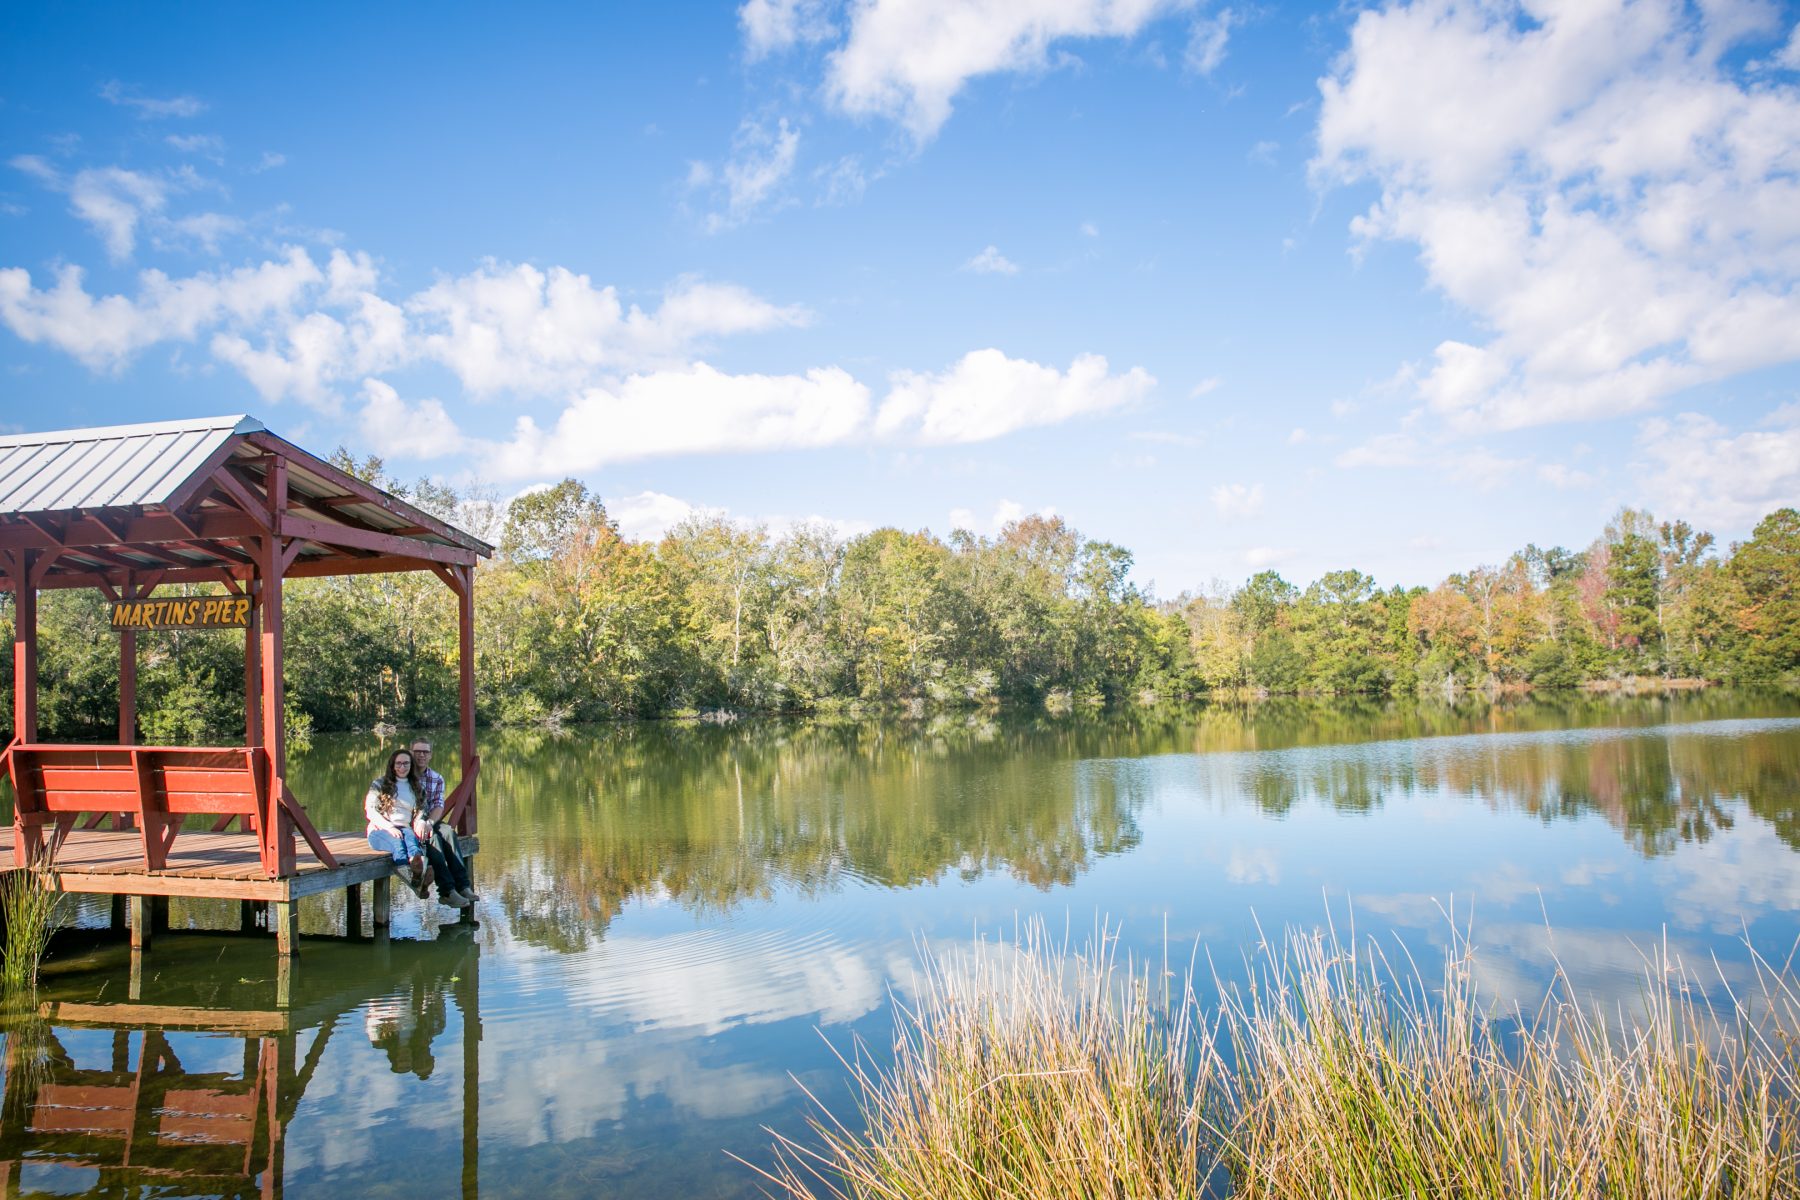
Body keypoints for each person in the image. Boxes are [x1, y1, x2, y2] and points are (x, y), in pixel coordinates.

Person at [364, 749, 468, 907]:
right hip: (381, 830)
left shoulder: (416, 786)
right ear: (392, 765)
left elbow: (421, 810)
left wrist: (420, 822)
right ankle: (420, 885)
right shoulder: (379, 784)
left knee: (414, 846)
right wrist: (389, 826)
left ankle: (420, 871)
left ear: (411, 766)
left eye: (406, 763)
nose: (402, 767)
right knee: (398, 846)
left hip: (405, 828)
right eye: (398, 763)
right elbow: (370, 810)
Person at [410, 738, 478, 905]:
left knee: (447, 831)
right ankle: (447, 891)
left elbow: (438, 806)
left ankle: (463, 886)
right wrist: (421, 825)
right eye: (417, 751)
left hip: (427, 819)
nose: (421, 755)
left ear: (430, 755)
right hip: (407, 823)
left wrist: (430, 823)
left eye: (425, 752)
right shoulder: (404, 775)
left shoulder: (436, 778)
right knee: (431, 837)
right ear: (410, 753)